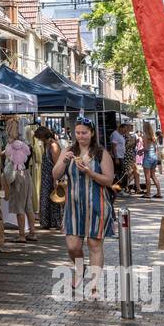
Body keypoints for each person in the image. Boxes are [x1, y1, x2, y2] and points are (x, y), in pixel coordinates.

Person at [53, 117, 116, 299]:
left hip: (97, 204)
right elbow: (55, 174)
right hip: (73, 206)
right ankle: (80, 267)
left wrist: (89, 172)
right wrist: (64, 161)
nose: (81, 136)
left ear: (92, 133)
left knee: (94, 245)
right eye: (78, 133)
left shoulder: (101, 153)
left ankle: (94, 285)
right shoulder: (68, 151)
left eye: (85, 133)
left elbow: (109, 180)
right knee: (73, 246)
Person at [3, 121, 36, 243]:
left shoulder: (12, 145)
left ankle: (22, 234)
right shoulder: (26, 143)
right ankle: (32, 232)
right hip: (27, 174)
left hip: (17, 175)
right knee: (28, 205)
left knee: (19, 206)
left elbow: (8, 154)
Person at [35, 125, 63, 230]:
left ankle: (56, 222)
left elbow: (57, 163)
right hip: (46, 176)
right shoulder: (47, 145)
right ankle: (48, 222)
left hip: (51, 176)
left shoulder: (53, 145)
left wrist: (56, 179)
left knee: (54, 199)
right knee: (47, 198)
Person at [141, 121, 162, 199]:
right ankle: (159, 192)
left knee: (147, 176)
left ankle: (148, 193)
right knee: (153, 176)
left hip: (148, 158)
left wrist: (140, 151)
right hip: (154, 157)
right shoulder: (153, 136)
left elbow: (146, 148)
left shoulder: (145, 136)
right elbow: (155, 149)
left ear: (145, 128)